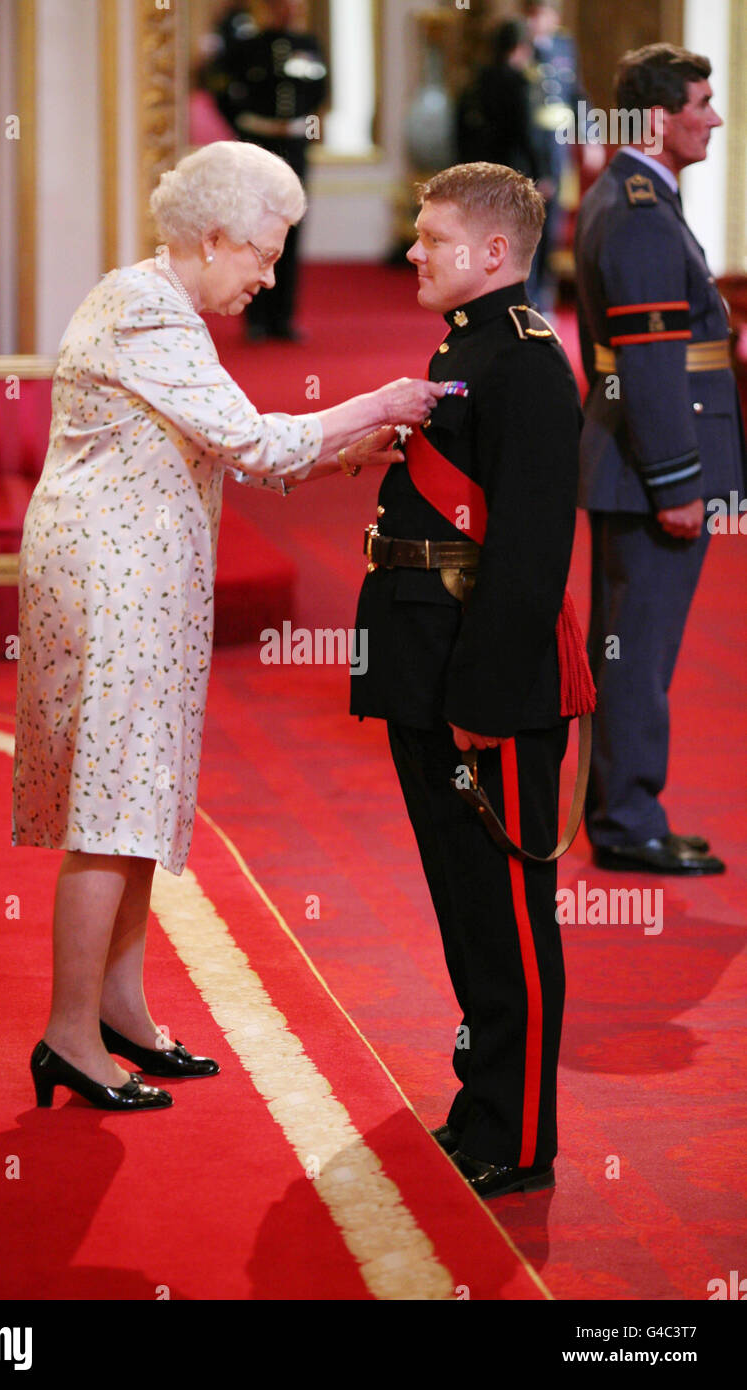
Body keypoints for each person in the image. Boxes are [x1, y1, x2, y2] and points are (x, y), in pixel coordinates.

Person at [13, 140, 443, 1112]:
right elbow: (249, 436)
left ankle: (118, 1007)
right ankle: (69, 1034)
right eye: (262, 249)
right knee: (106, 804)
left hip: (136, 573)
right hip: (110, 578)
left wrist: (334, 455)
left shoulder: (158, 303)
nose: (270, 272)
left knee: (132, 801)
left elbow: (213, 443)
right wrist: (377, 401)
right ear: (210, 238)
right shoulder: (143, 308)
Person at [351, 162, 586, 1198]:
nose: (412, 248)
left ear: (494, 252)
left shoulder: (527, 363)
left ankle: (518, 1132)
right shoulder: (467, 345)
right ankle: (483, 1102)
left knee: (507, 917)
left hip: (488, 690)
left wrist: (482, 705)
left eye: (430, 235)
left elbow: (531, 556)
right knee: (465, 907)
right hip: (431, 668)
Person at [574, 44, 745, 875]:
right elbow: (647, 362)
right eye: (700, 103)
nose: (714, 117)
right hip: (651, 474)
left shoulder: (639, 194)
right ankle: (627, 824)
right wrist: (679, 483)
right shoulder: (640, 207)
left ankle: (630, 810)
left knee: (637, 650)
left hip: (640, 466)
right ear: (655, 118)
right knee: (637, 654)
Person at [207, 0, 326, 342]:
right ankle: (256, 317)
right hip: (257, 142)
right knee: (254, 227)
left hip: (294, 144)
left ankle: (283, 316)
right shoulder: (247, 46)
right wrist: (242, 124)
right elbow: (222, 88)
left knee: (291, 227)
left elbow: (318, 91)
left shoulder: (308, 46)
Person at [522, 0, 600, 309]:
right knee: (525, 221)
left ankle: (544, 297)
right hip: (527, 146)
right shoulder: (521, 43)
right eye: (539, 14)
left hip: (557, 145)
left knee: (551, 225)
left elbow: (576, 93)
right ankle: (524, 295)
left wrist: (591, 136)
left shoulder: (563, 45)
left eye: (549, 14)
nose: (545, 20)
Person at [456, 19, 549, 187]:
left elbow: (460, 131)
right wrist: (540, 174)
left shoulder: (476, 81)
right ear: (520, 47)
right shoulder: (517, 84)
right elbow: (525, 133)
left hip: (476, 172)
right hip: (511, 171)